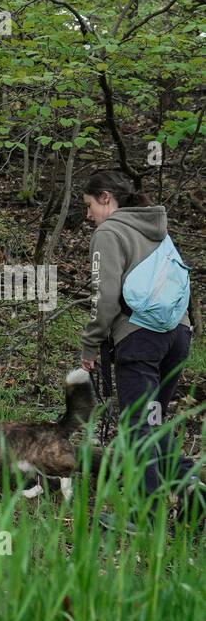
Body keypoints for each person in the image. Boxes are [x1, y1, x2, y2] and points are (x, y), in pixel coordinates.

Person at [78, 169, 196, 526]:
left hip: (140, 339)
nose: (88, 215)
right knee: (154, 421)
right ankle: (195, 498)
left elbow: (105, 297)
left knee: (138, 426)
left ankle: (148, 516)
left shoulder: (109, 232)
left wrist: (90, 345)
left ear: (106, 198)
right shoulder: (157, 230)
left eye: (89, 206)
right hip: (178, 336)